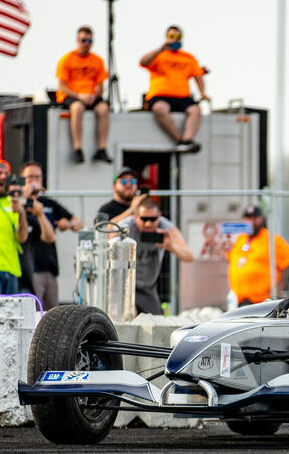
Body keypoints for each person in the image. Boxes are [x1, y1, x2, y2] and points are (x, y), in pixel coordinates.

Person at [20, 161, 81, 310]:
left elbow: (78, 223)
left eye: (38, 177)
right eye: (30, 177)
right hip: (29, 269)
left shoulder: (48, 203)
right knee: (33, 312)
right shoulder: (18, 203)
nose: (34, 181)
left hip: (49, 266)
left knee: (52, 313)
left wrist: (68, 224)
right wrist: (27, 192)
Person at [116, 198, 194, 315]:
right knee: (126, 317)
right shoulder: (125, 226)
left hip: (147, 287)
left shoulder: (165, 227)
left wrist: (171, 246)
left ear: (159, 217)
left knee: (156, 320)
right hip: (124, 285)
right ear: (136, 216)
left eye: (152, 219)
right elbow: (106, 241)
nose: (148, 224)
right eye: (144, 219)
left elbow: (189, 256)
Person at [139, 24, 209, 153]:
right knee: (160, 108)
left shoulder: (188, 57)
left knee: (195, 110)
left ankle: (188, 139)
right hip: (160, 96)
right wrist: (160, 49)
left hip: (182, 97)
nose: (175, 39)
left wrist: (202, 93)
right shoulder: (159, 55)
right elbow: (143, 62)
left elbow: (198, 76)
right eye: (171, 36)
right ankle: (179, 140)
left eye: (178, 37)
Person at [56, 25, 111, 164]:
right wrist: (80, 96)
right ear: (77, 40)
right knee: (77, 108)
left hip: (92, 96)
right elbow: (62, 86)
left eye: (89, 41)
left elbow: (101, 85)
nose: (86, 44)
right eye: (83, 40)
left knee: (104, 109)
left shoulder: (97, 60)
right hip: (73, 96)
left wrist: (94, 96)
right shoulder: (67, 59)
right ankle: (77, 148)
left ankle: (102, 148)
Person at [228, 205, 289, 306]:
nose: (251, 221)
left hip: (262, 302)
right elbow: (235, 260)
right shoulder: (241, 238)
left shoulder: (272, 239)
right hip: (240, 301)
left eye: (255, 217)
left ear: (262, 219)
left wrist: (279, 287)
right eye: (248, 218)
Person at [0, 158, 29, 295]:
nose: (3, 177)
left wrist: (21, 213)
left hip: (11, 269)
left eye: (6, 174)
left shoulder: (13, 201)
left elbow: (21, 237)